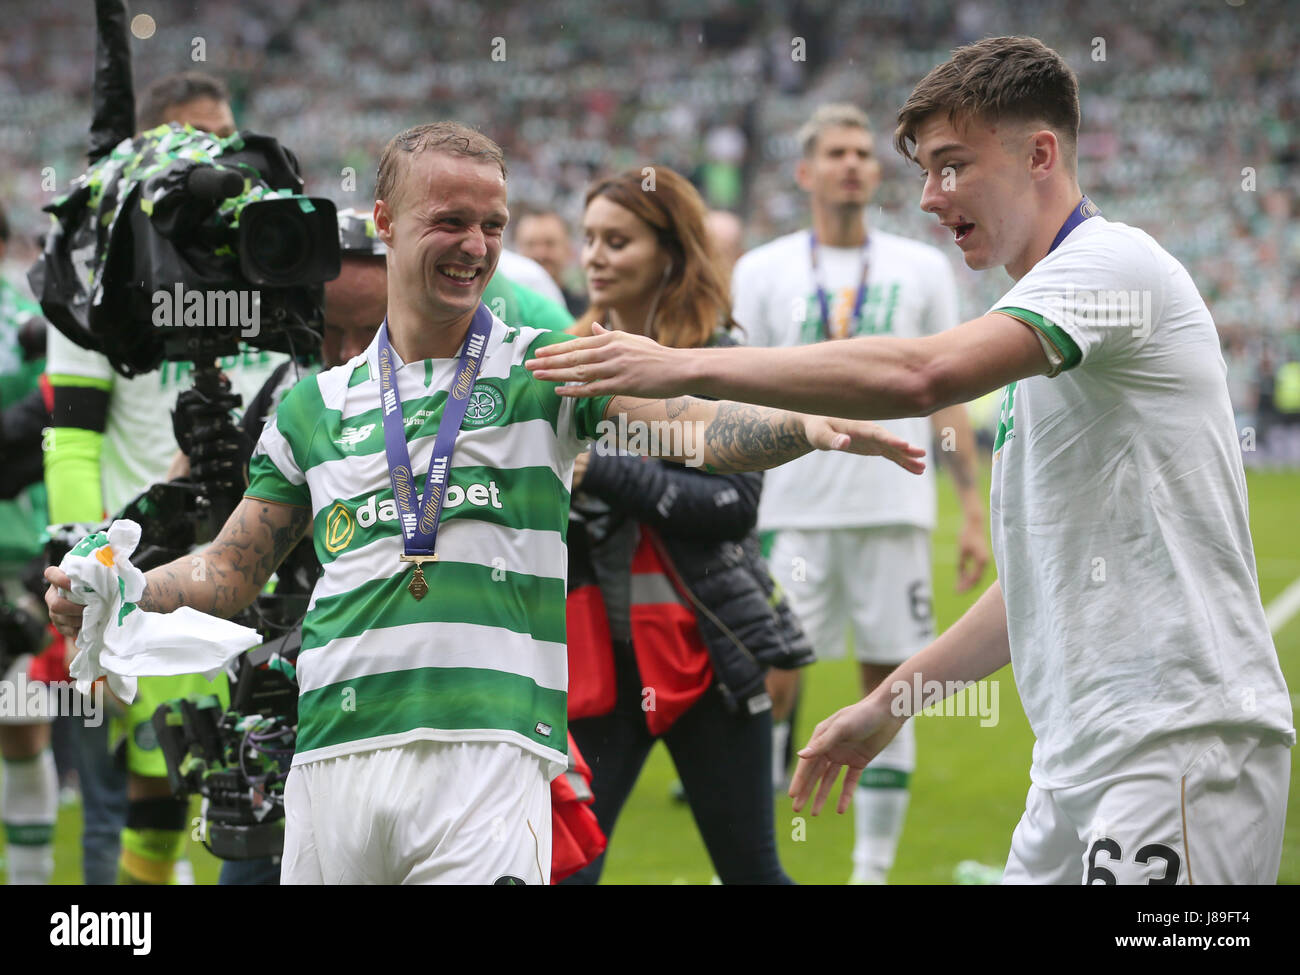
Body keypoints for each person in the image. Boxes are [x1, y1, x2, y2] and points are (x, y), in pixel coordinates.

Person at [45, 121, 924, 885]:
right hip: (333, 759)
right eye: (451, 221)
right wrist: (127, 587)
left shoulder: (548, 366)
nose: (476, 244)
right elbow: (230, 570)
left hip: (490, 758)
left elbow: (692, 427)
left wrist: (809, 423)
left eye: (492, 224)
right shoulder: (312, 407)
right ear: (384, 224)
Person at [526, 36, 1295, 884]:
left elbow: (922, 372)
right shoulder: (1048, 327)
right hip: (1078, 755)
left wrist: (678, 364)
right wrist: (887, 706)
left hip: (1177, 740)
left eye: (952, 166)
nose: (930, 196)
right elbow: (1042, 575)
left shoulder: (1113, 266)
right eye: (925, 171)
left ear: (1040, 154)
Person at [730, 103, 988, 884]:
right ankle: (754, 864)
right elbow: (741, 391)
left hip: (895, 509)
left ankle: (870, 872)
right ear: (806, 172)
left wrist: (970, 507)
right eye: (835, 153)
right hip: (793, 511)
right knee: (766, 686)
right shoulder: (762, 268)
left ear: (877, 174)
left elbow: (949, 393)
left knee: (891, 687)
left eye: (862, 154)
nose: (852, 164)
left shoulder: (922, 267)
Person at [43, 70, 282, 884]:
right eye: (192, 138)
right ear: (149, 150)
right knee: (167, 779)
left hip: (268, 551)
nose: (214, 156)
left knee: (259, 782)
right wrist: (84, 570)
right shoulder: (104, 269)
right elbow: (70, 444)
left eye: (224, 134)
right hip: (158, 562)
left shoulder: (259, 252)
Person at [561, 167, 813, 885]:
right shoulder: (562, 357)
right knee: (563, 872)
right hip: (593, 660)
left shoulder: (721, 357)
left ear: (671, 252)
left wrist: (600, 468)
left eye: (618, 240)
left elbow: (732, 507)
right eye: (588, 240)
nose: (596, 257)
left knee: (752, 874)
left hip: (707, 652)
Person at [514, 210, 587, 317]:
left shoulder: (585, 311)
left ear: (568, 250)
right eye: (531, 244)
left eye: (549, 244)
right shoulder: (505, 308)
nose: (540, 254)